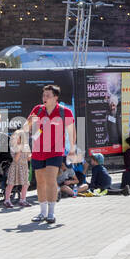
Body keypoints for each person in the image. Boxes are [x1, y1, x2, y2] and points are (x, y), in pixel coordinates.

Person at [28, 84, 76, 225]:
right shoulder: (37, 110)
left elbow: (72, 132)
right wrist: (29, 124)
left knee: (50, 180)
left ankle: (51, 212)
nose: (45, 98)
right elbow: (29, 129)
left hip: (55, 151)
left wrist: (72, 149)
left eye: (48, 95)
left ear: (56, 97)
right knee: (40, 182)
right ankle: (42, 212)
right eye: (44, 95)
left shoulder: (64, 112)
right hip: (38, 151)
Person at [4, 122, 32, 209]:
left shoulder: (26, 146)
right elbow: (15, 159)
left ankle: (22, 200)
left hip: (24, 166)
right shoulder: (13, 147)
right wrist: (20, 149)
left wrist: (30, 155)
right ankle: (7, 200)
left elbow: (28, 158)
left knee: (25, 184)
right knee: (11, 183)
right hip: (15, 166)